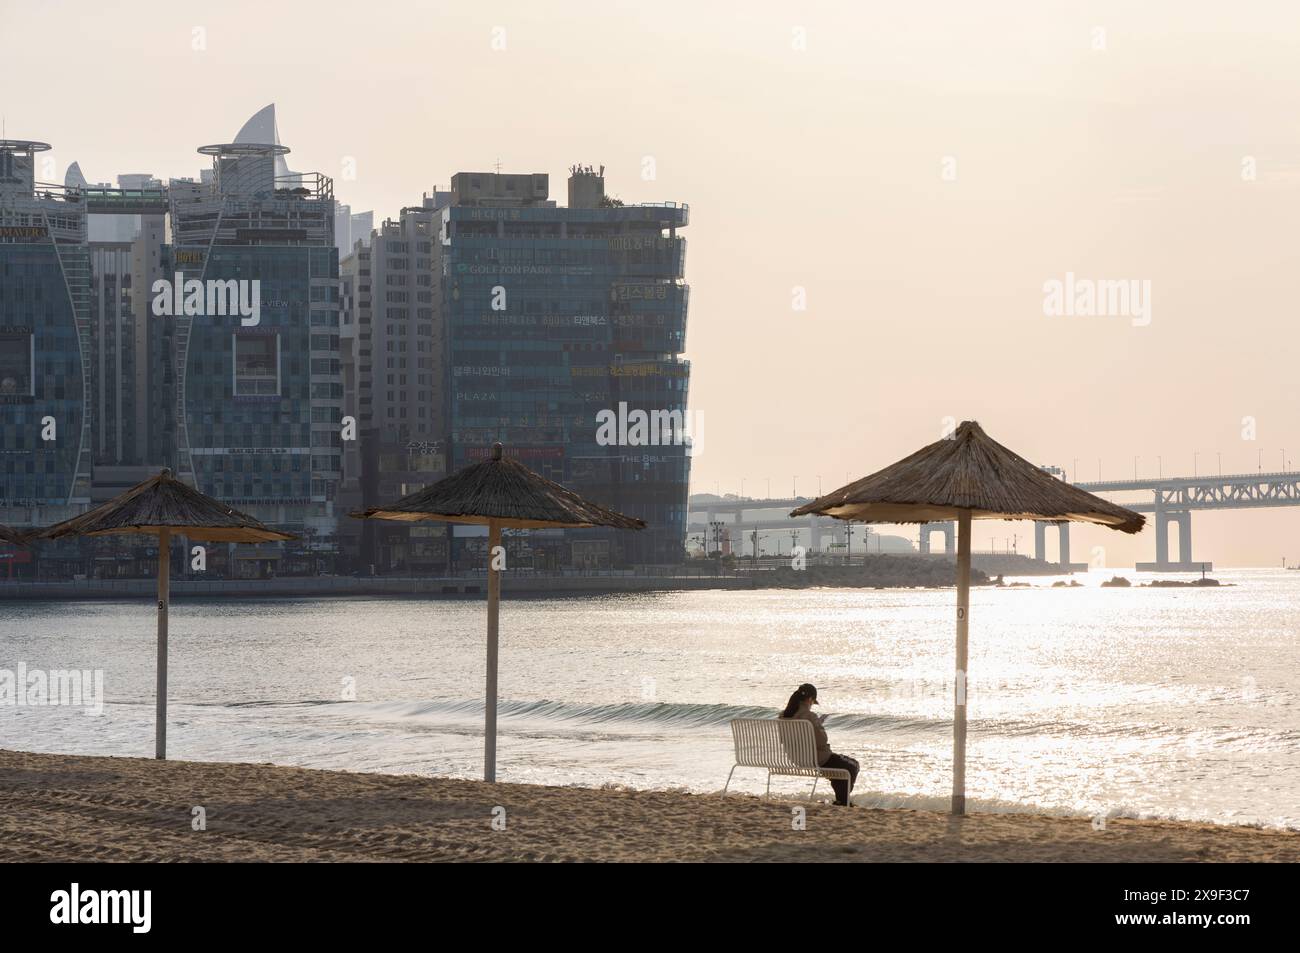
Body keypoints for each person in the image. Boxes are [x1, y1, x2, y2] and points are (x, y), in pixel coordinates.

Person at [779, 683, 859, 806]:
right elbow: (822, 740)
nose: (812, 705)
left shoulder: (783, 716)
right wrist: (819, 725)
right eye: (812, 702)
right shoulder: (810, 717)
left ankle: (842, 801)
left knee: (839, 770)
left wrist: (816, 724)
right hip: (817, 759)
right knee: (853, 766)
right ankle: (843, 802)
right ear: (810, 699)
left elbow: (787, 739)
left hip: (795, 758)